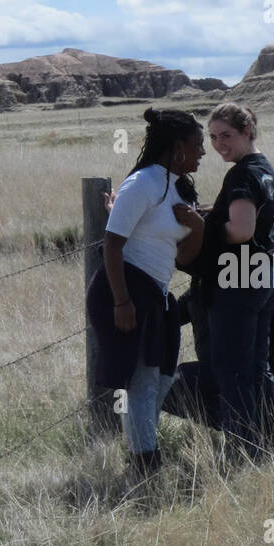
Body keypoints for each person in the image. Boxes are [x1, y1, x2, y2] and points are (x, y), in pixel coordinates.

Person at [85, 107, 205, 485]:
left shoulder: (173, 186)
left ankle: (143, 453)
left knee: (163, 378)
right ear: (177, 146)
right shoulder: (143, 184)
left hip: (157, 294)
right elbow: (112, 245)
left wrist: (198, 228)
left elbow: (183, 258)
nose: (203, 153)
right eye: (198, 145)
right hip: (126, 291)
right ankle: (145, 468)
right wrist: (122, 302)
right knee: (144, 381)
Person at [199, 101, 274, 460]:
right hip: (262, 273)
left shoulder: (241, 174)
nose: (219, 144)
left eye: (227, 136)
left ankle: (244, 450)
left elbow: (240, 230)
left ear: (248, 131)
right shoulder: (263, 168)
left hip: (238, 277)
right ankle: (272, 438)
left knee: (232, 370)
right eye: (213, 137)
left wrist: (199, 225)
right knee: (255, 367)